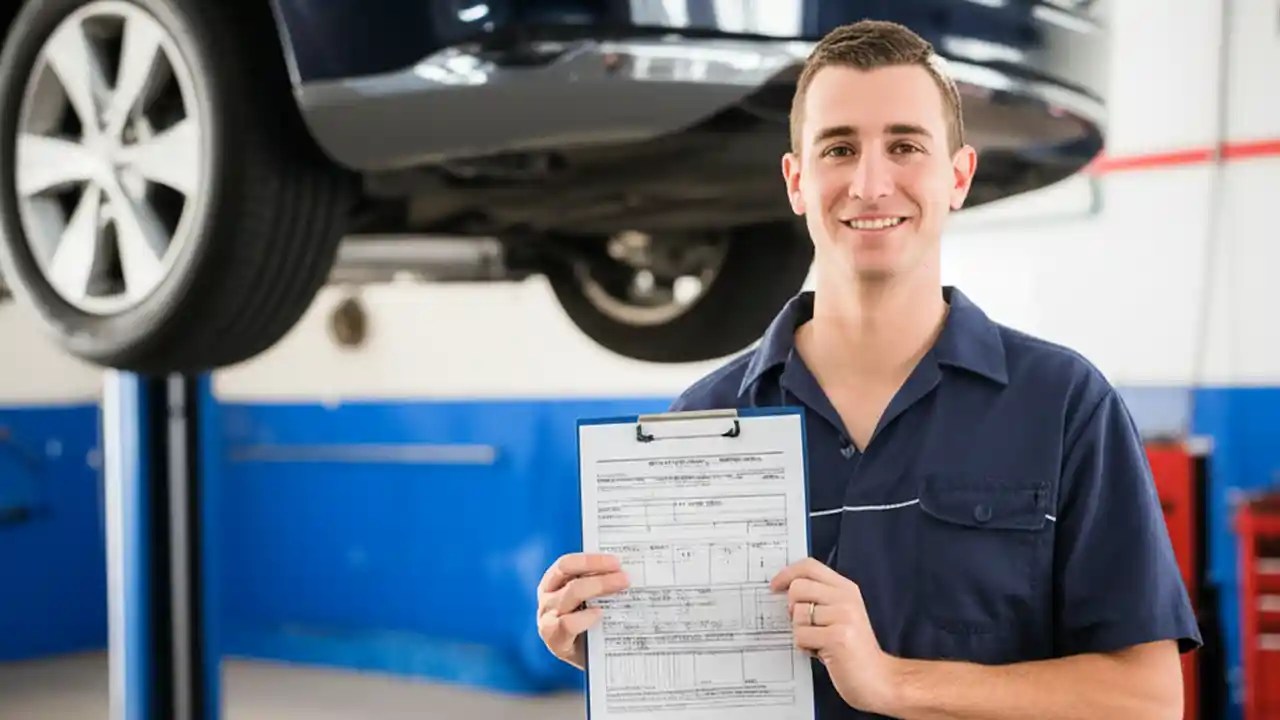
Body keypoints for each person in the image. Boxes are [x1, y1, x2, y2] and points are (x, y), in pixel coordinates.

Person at [535, 19, 1201, 719]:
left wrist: (890, 680)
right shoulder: (703, 420)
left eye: (905, 145)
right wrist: (623, 649)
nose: (870, 182)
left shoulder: (1064, 404)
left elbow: (1145, 699)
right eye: (839, 148)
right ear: (796, 181)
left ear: (958, 176)